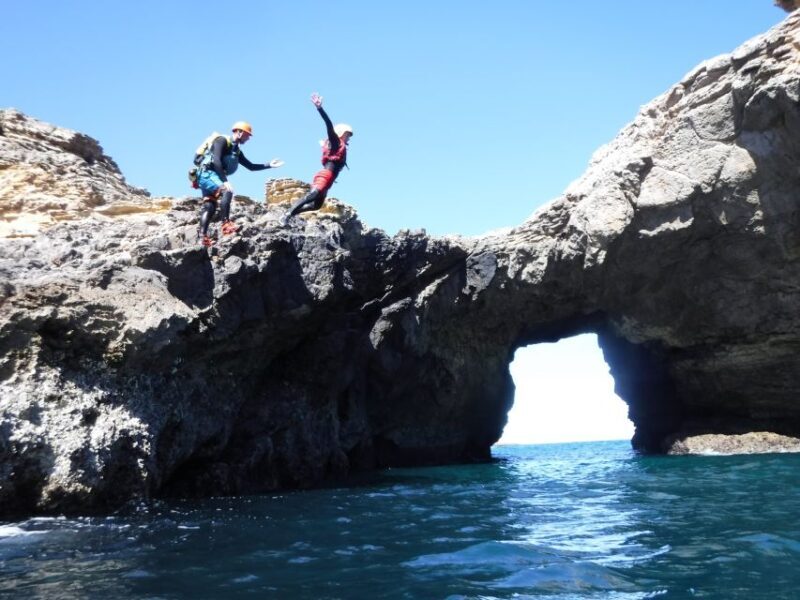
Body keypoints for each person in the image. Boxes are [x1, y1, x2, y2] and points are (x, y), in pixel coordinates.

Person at [196, 121, 283, 246]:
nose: (248, 138)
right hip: (208, 173)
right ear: (239, 132)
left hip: (209, 176)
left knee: (210, 206)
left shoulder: (236, 151)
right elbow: (216, 160)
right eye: (247, 135)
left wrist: (269, 165)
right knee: (227, 191)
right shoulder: (222, 141)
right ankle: (226, 224)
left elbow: (251, 166)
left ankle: (202, 238)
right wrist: (225, 181)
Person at [280, 94, 352, 226]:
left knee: (316, 205)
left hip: (330, 179)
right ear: (341, 133)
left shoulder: (337, 146)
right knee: (313, 195)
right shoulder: (335, 141)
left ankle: (291, 213)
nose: (348, 138)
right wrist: (320, 108)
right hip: (326, 175)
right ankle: (287, 214)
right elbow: (329, 125)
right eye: (347, 135)